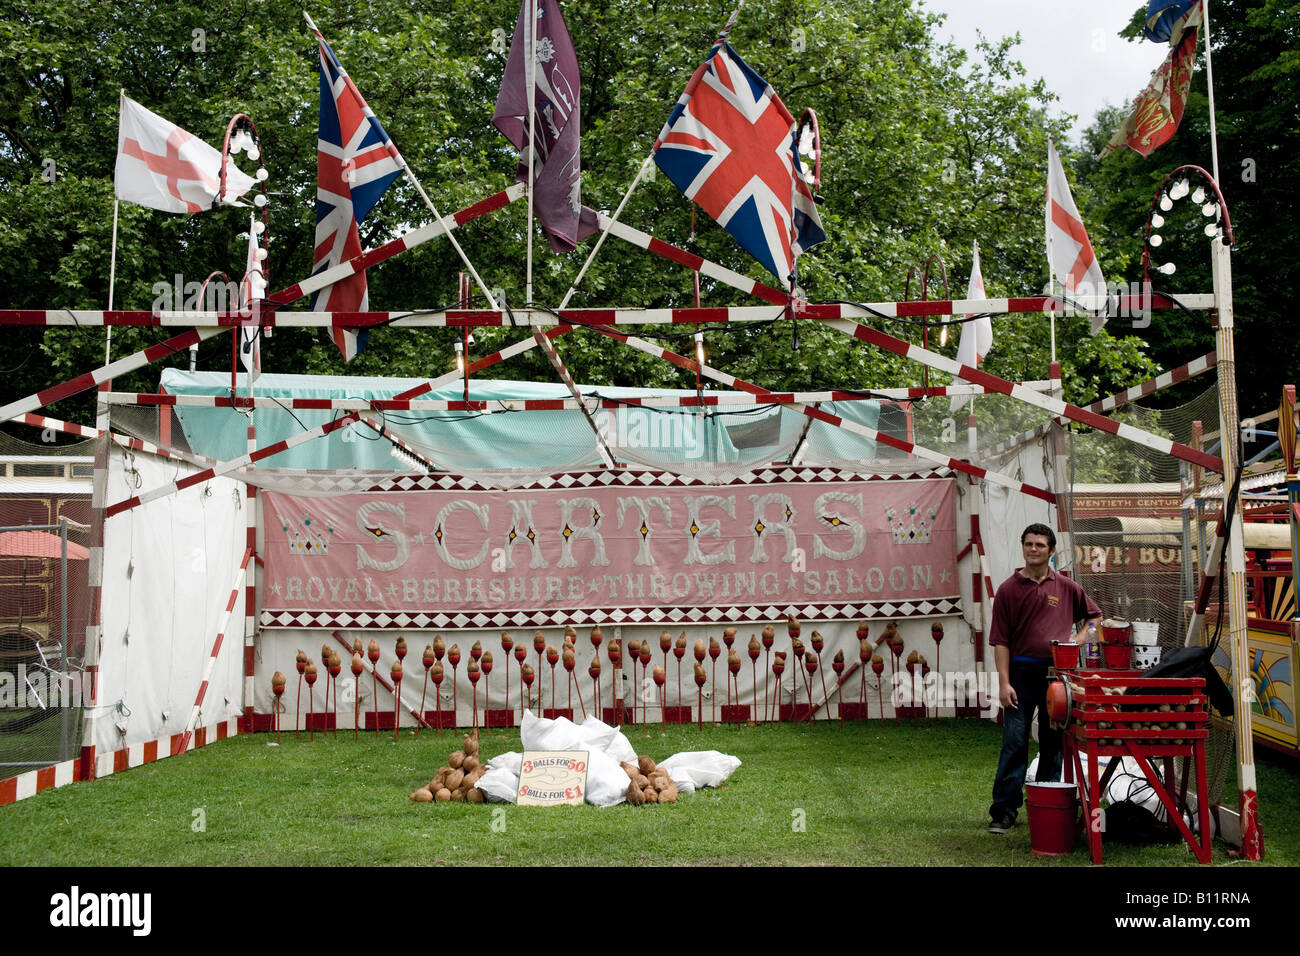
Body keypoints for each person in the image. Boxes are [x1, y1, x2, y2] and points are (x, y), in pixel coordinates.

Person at [987, 523, 1101, 834]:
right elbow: (1000, 641)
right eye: (1028, 544)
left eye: (1040, 545)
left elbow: (1094, 619)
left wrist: (1077, 642)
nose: (1033, 549)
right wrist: (1003, 682)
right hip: (1020, 674)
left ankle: (1049, 805)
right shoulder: (1008, 590)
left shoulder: (1067, 587)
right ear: (1022, 547)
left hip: (1058, 677)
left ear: (1051, 551)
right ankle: (1004, 812)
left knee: (1053, 745)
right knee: (1014, 743)